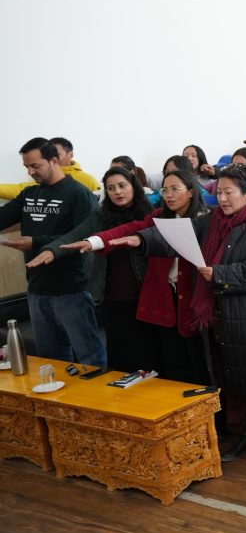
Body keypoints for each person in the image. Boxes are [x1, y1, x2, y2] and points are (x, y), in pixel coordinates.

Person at [116, 164, 246, 471]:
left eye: (229, 193)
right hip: (219, 315)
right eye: (218, 192)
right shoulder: (211, 222)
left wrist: (219, 273)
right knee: (230, 378)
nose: (222, 199)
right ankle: (244, 433)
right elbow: (175, 240)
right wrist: (141, 240)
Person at [63, 167, 209, 383]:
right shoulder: (160, 215)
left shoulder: (207, 218)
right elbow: (132, 228)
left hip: (196, 300)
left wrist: (140, 239)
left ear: (190, 191)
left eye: (174, 189)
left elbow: (148, 235)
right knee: (173, 363)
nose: (168, 195)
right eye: (165, 190)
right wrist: (94, 241)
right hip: (168, 299)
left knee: (201, 364)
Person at [26, 167, 156, 370]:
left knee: (147, 352)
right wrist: (51, 250)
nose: (118, 192)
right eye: (111, 188)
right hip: (111, 294)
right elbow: (76, 234)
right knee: (119, 353)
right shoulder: (101, 214)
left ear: (134, 186)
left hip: (144, 294)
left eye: (122, 186)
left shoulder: (150, 214)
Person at [0, 139, 105, 366]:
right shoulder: (29, 194)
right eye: (26, 167)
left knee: (90, 358)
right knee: (52, 361)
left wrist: (36, 242)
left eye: (35, 166)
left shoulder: (79, 194)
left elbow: (83, 236)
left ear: (54, 161)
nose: (30, 172)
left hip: (71, 290)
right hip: (37, 289)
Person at [0, 136, 100, 199]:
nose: (30, 172)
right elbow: (19, 189)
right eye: (27, 167)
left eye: (57, 154)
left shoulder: (87, 182)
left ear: (70, 155)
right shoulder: (37, 184)